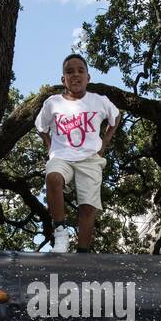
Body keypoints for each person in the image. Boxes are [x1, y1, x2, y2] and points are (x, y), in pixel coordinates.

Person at [35, 53, 122, 253]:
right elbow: (41, 126)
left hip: (90, 159)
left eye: (80, 71)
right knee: (53, 177)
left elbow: (115, 117)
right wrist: (50, 147)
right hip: (62, 156)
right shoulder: (53, 103)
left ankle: (82, 252)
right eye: (69, 72)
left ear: (88, 78)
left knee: (88, 206)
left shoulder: (99, 100)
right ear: (63, 79)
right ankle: (60, 232)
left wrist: (104, 143)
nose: (75, 75)